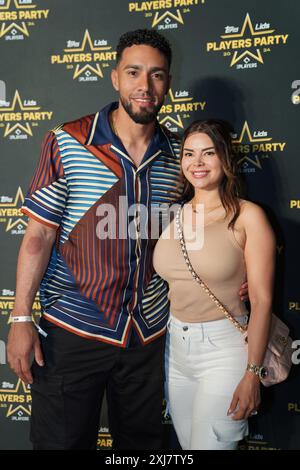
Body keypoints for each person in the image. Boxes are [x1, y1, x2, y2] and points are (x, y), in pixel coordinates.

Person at [7, 30, 248, 450]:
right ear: (115, 77)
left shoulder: (180, 156)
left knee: (140, 450)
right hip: (73, 329)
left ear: (168, 84)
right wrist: (21, 318)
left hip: (149, 335)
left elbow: (211, 222)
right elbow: (39, 235)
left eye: (157, 75)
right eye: (134, 72)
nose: (145, 85)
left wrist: (238, 277)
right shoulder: (68, 142)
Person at [153, 119, 276, 450]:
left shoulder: (248, 216)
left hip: (224, 352)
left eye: (208, 153)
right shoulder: (170, 215)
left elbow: (262, 301)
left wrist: (252, 373)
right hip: (174, 350)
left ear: (225, 158)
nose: (197, 163)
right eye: (189, 154)